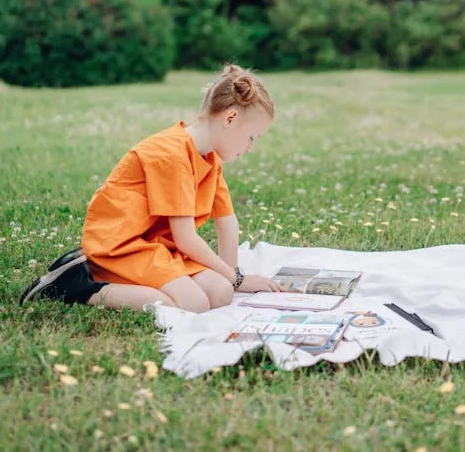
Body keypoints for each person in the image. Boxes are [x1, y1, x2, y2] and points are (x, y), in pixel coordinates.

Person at [19, 64, 282, 312]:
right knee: (194, 304)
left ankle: (128, 279)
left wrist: (233, 277)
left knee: (221, 292)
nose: (250, 147)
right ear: (231, 118)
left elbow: (228, 222)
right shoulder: (171, 153)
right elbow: (187, 239)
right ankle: (76, 286)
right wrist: (237, 278)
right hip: (122, 245)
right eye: (251, 137)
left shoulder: (210, 158)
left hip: (159, 247)